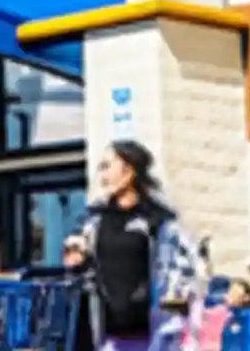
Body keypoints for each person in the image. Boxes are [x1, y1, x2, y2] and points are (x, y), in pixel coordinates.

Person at [64, 140, 206, 351]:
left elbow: (190, 267)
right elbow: (77, 267)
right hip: (107, 335)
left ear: (129, 171)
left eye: (107, 167)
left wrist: (181, 298)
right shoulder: (93, 219)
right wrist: (75, 259)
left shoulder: (158, 220)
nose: (102, 176)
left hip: (152, 334)